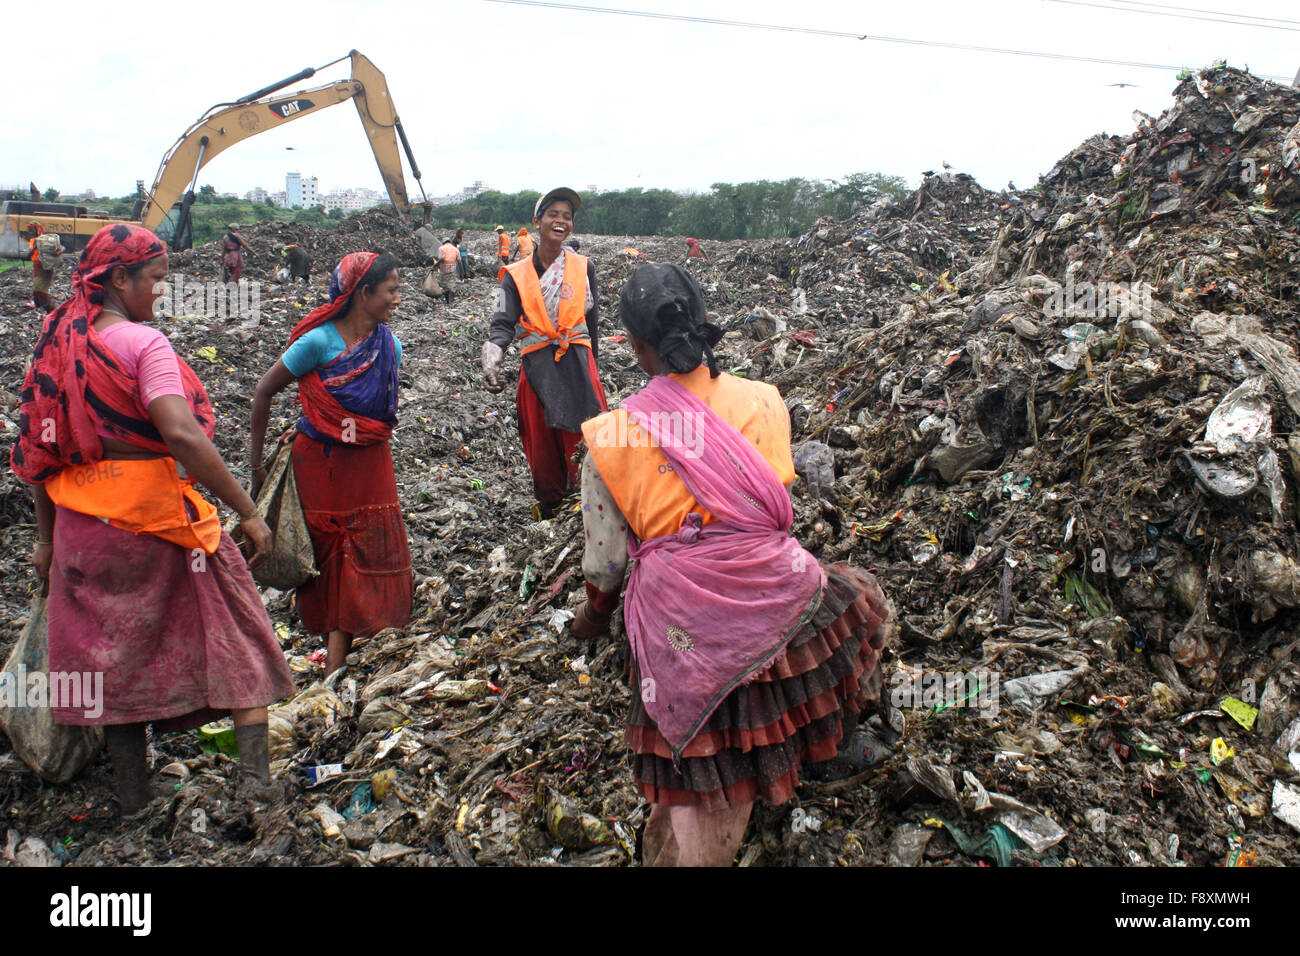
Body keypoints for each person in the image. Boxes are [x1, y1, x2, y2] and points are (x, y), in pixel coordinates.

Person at [571, 264, 893, 866]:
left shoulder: (610, 436)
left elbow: (607, 567)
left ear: (635, 346)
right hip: (781, 592)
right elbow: (769, 510)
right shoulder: (764, 400)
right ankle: (834, 744)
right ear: (703, 326)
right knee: (854, 599)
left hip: (686, 620)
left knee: (700, 763)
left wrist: (590, 621)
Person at [10, 224, 296, 816]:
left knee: (108, 659)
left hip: (81, 532)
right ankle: (256, 786)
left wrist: (45, 542)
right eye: (157, 280)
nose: (162, 292)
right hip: (158, 524)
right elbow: (181, 432)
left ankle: (134, 797)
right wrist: (248, 511)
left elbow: (42, 448)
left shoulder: (58, 342)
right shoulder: (144, 345)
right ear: (119, 278)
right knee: (241, 636)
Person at [250, 253, 413, 675]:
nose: (398, 297)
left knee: (368, 549)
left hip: (371, 461)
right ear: (363, 293)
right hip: (322, 464)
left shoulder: (389, 344)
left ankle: (351, 647)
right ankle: (335, 660)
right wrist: (256, 465)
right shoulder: (318, 342)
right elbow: (263, 393)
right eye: (391, 289)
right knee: (332, 555)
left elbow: (379, 410)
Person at [481, 188, 608, 519]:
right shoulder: (516, 275)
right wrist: (492, 362)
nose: (561, 221)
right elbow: (501, 323)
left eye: (567, 216)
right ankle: (552, 506)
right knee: (542, 443)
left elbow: (591, 323)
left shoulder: (584, 268)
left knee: (585, 437)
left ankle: (590, 504)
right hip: (537, 365)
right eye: (554, 214)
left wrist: (595, 367)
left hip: (578, 362)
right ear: (537, 221)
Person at [27, 221, 63, 312]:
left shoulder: (44, 241)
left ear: (37, 230)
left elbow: (59, 248)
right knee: (37, 287)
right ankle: (38, 306)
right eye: (30, 230)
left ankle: (51, 309)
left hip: (44, 267)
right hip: (38, 265)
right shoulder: (36, 240)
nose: (30, 232)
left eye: (32, 230)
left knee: (40, 289)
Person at [437, 237, 459, 305]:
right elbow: (459, 261)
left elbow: (441, 258)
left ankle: (447, 301)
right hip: (452, 268)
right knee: (451, 284)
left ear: (444, 242)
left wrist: (435, 265)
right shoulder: (455, 249)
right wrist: (462, 273)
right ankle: (451, 301)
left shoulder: (441, 248)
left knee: (444, 284)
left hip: (444, 268)